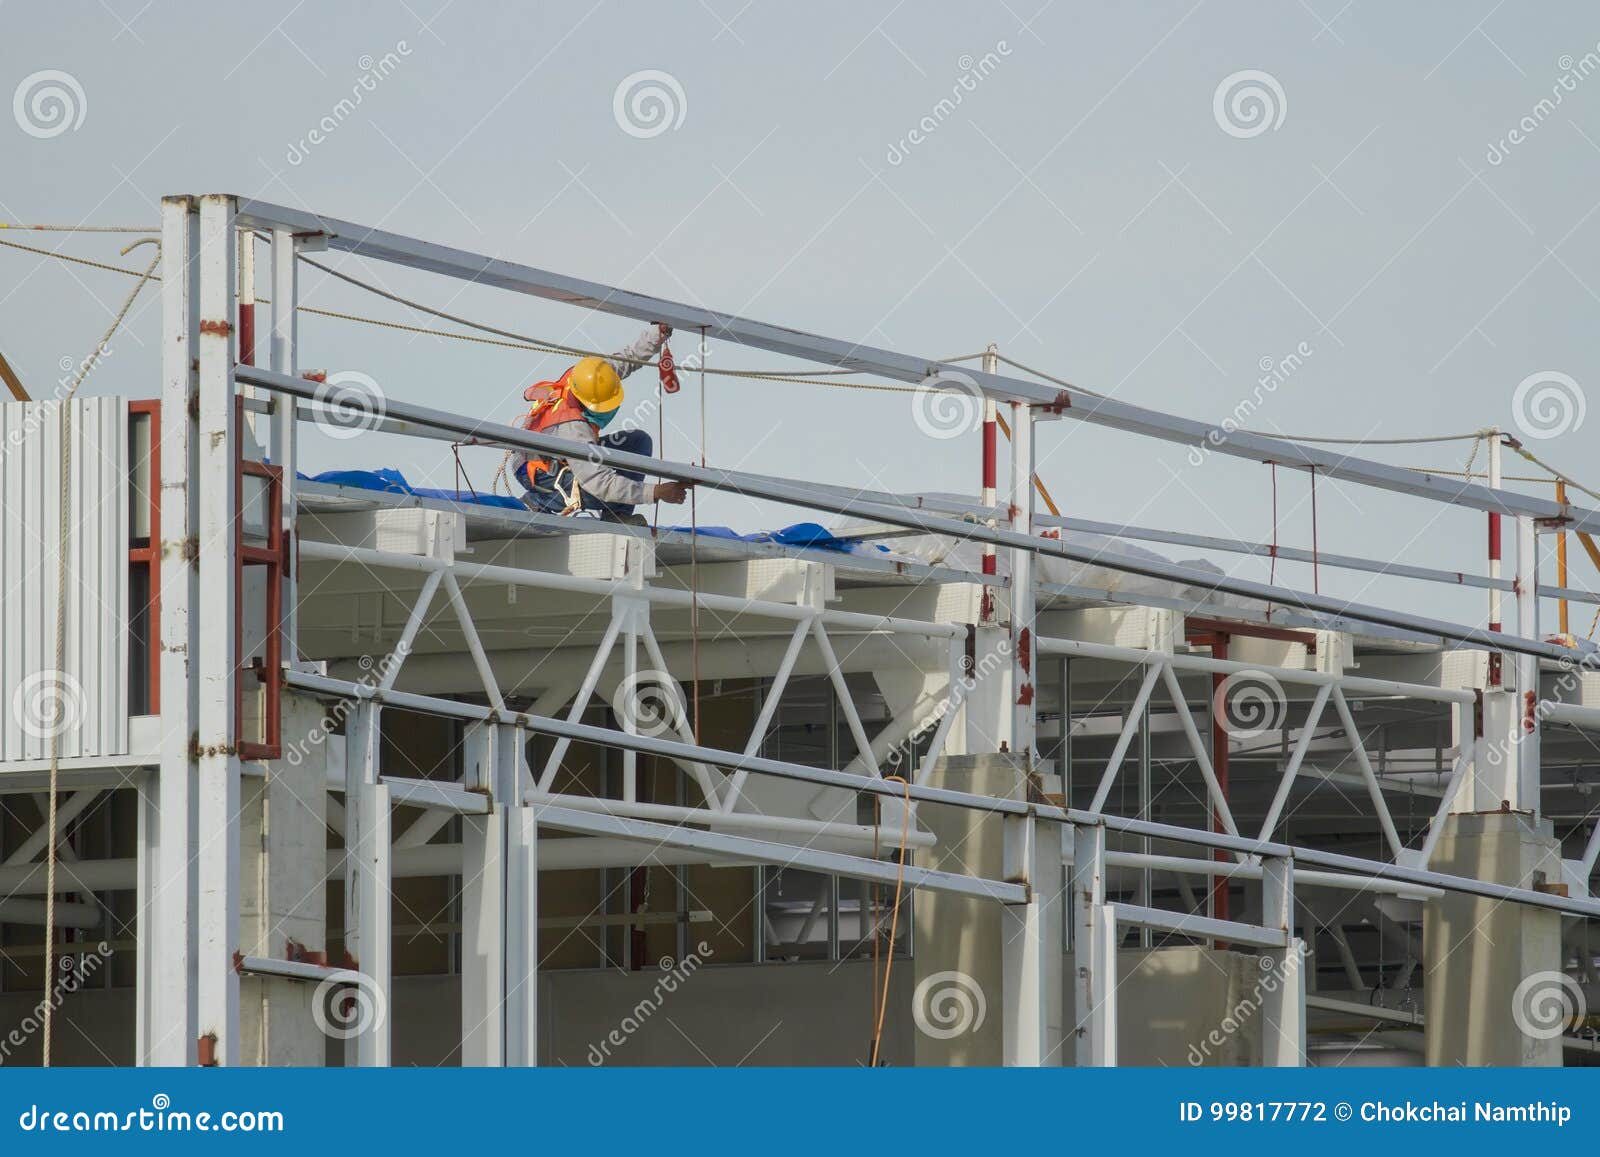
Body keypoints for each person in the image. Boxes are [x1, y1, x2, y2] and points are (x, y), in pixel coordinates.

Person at [510, 323, 691, 524]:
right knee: (596, 493)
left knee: (637, 442)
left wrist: (657, 335)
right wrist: (655, 492)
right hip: (537, 469)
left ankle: (616, 515)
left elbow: (627, 359)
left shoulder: (590, 376)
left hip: (558, 455)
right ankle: (540, 500)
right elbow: (600, 483)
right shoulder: (574, 428)